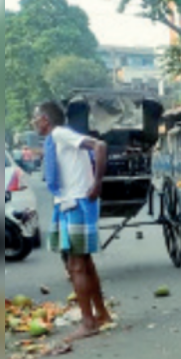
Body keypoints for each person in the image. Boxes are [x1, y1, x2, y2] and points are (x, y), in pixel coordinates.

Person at [33, 101, 112, 342]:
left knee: (75, 265)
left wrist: (97, 184)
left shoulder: (60, 134)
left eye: (35, 118)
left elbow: (100, 146)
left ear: (45, 120)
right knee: (84, 262)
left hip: (77, 202)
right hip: (68, 202)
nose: (33, 123)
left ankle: (88, 322)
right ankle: (101, 314)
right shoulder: (56, 139)